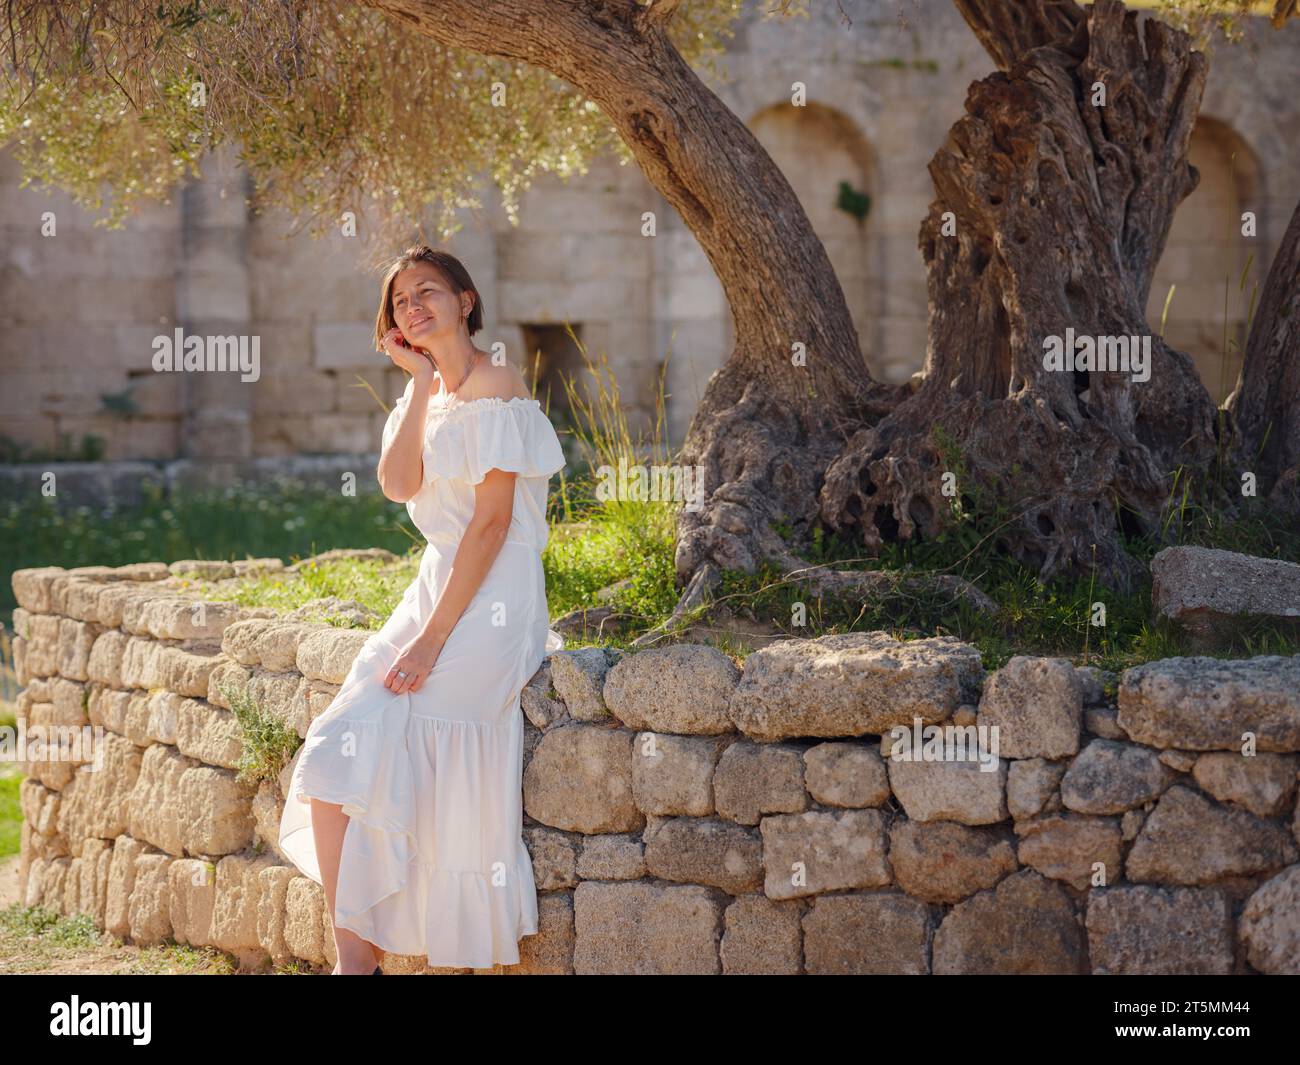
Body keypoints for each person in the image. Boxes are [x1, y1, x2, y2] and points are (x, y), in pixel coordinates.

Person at [277, 245, 566, 974]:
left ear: (466, 301)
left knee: (428, 719)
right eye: (401, 300)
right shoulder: (426, 391)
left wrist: (434, 642)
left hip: (496, 593)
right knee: (338, 743)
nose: (413, 306)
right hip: (437, 583)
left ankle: (438, 936)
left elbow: (493, 525)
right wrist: (417, 380)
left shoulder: (498, 380)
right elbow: (399, 482)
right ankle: (357, 958)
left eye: (428, 291)